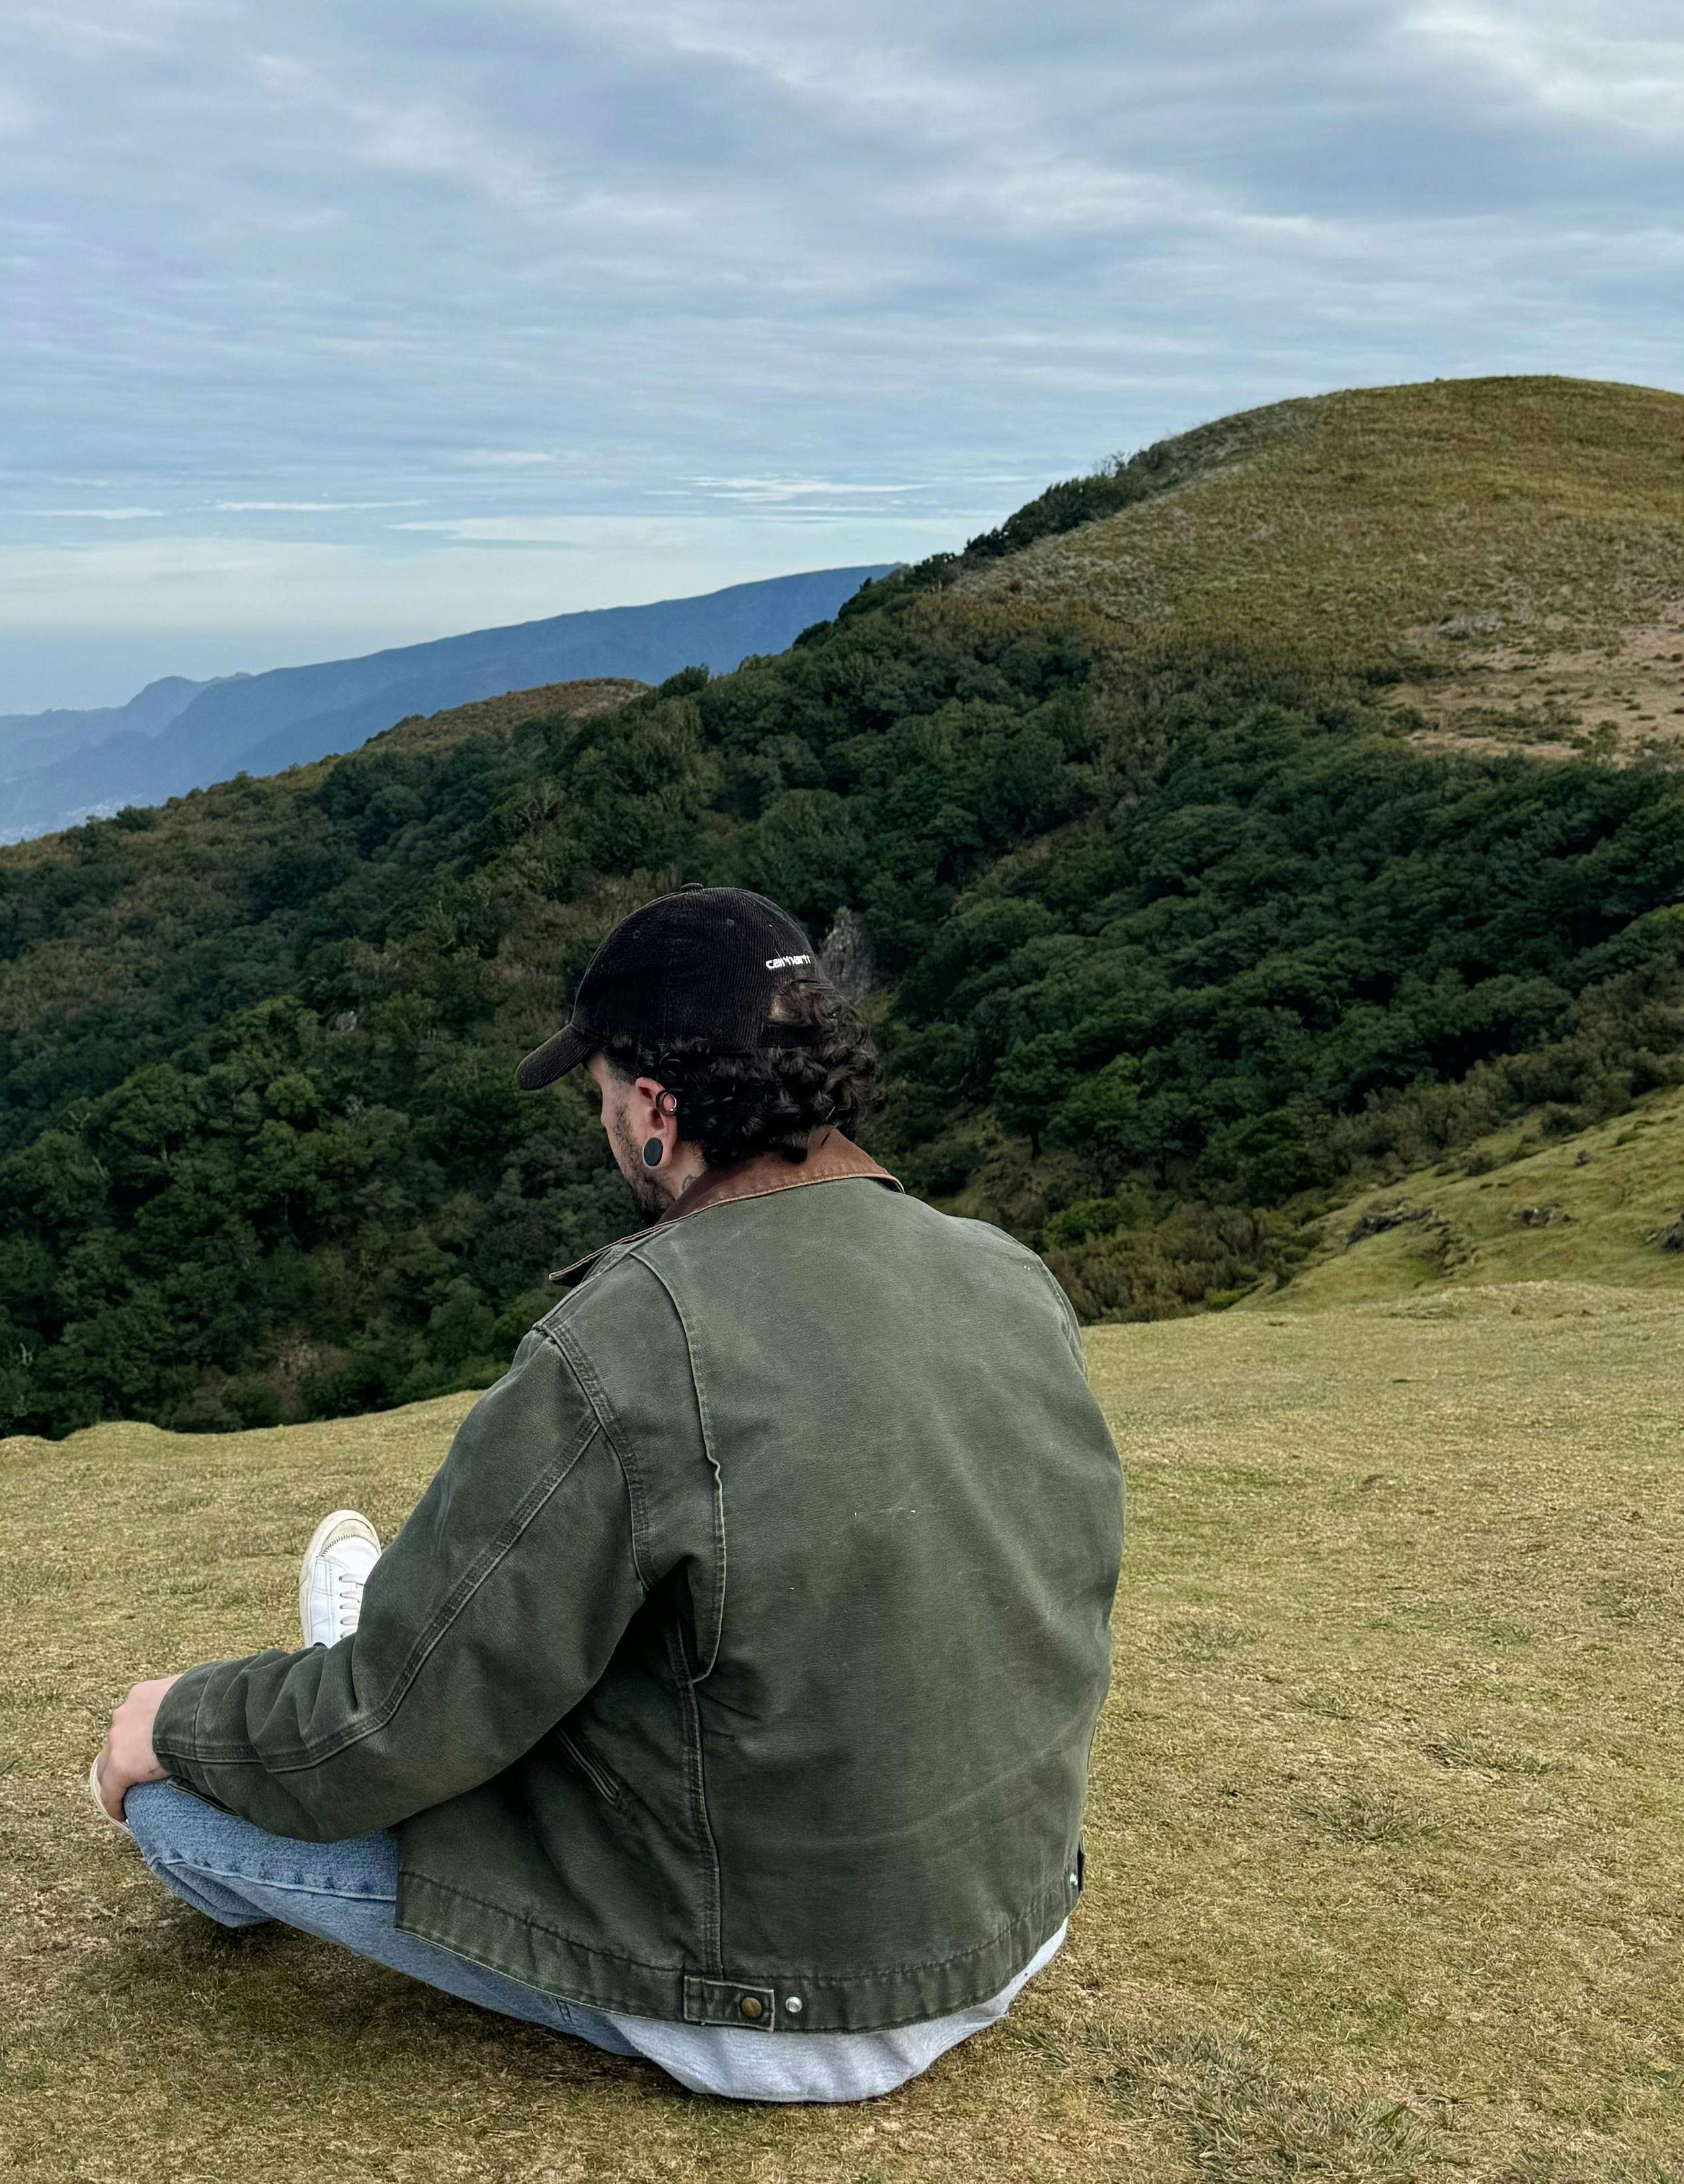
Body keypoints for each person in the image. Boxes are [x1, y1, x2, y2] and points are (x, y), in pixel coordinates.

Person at [91, 886, 1124, 2105]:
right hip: (1008, 1928)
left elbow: (387, 1728)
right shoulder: (1003, 1270)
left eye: (598, 1099)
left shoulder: (629, 1344)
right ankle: (373, 1627)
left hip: (776, 2005)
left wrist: (174, 1722)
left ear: (652, 1109)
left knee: (179, 1812)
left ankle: (282, 1728)